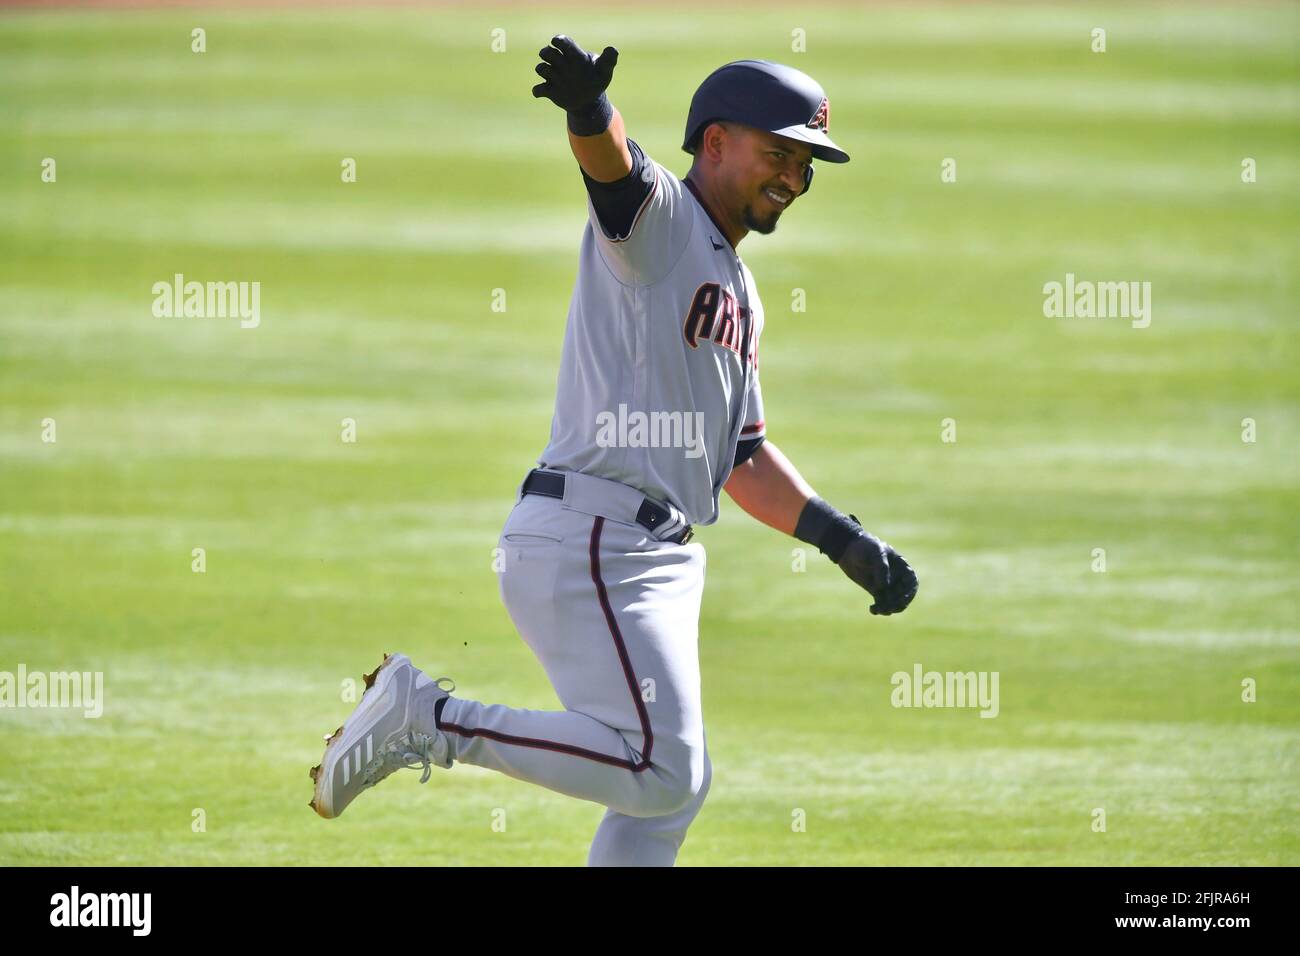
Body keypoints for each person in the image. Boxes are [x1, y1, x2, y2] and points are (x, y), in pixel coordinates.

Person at [308, 35, 918, 867]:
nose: (794, 177)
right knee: (657, 768)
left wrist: (842, 540)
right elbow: (616, 174)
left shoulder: (739, 287)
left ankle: (434, 721)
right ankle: (430, 718)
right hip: (595, 539)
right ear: (715, 142)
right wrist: (588, 111)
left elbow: (741, 458)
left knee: (675, 785)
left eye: (807, 164)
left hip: (649, 555)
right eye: (779, 153)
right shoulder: (664, 222)